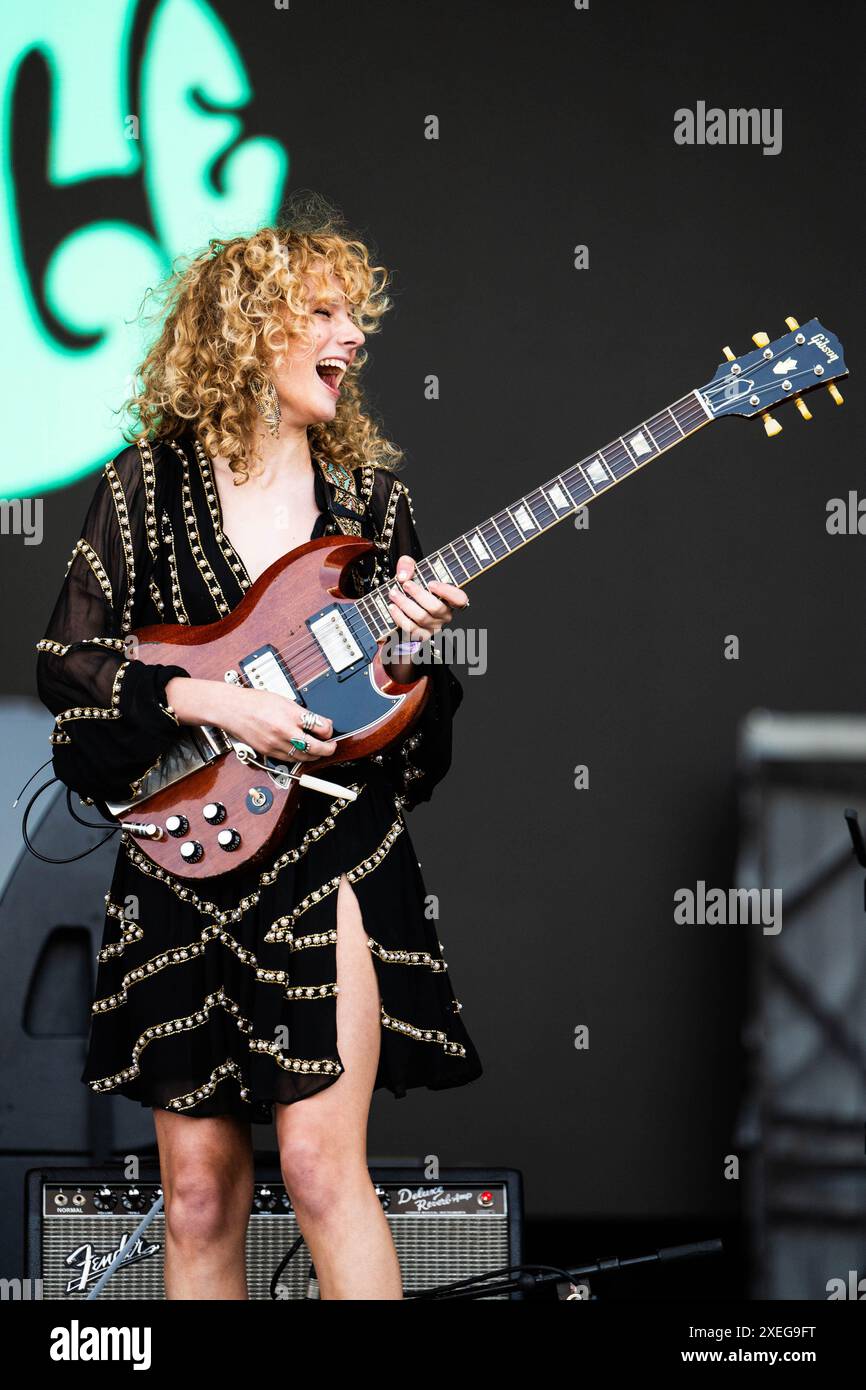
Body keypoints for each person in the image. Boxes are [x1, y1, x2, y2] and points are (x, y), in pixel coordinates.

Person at [35, 195, 482, 1300]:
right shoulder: (143, 490)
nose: (353, 335)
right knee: (193, 1194)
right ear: (247, 330)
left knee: (324, 1171)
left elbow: (405, 733)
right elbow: (71, 666)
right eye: (322, 311)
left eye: (355, 314)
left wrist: (416, 655)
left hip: (329, 850)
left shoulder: (371, 503)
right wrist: (210, 701)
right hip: (182, 851)